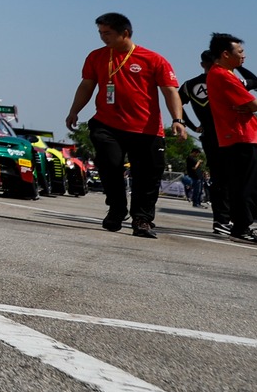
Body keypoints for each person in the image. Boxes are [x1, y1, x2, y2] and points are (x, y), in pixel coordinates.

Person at [66, 12, 184, 238]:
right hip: (107, 124)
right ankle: (117, 208)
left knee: (147, 177)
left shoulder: (153, 59)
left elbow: (170, 91)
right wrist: (74, 111)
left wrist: (177, 120)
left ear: (125, 33)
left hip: (146, 129)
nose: (103, 38)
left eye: (107, 33)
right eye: (100, 33)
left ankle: (142, 219)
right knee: (109, 165)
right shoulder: (96, 57)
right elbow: (86, 86)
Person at [206, 35, 257, 245]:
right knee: (250, 186)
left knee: (241, 184)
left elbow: (256, 92)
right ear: (226, 54)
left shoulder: (222, 73)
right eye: (240, 52)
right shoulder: (223, 75)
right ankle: (242, 227)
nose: (244, 56)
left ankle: (240, 226)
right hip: (242, 135)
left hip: (236, 136)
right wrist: (252, 105)